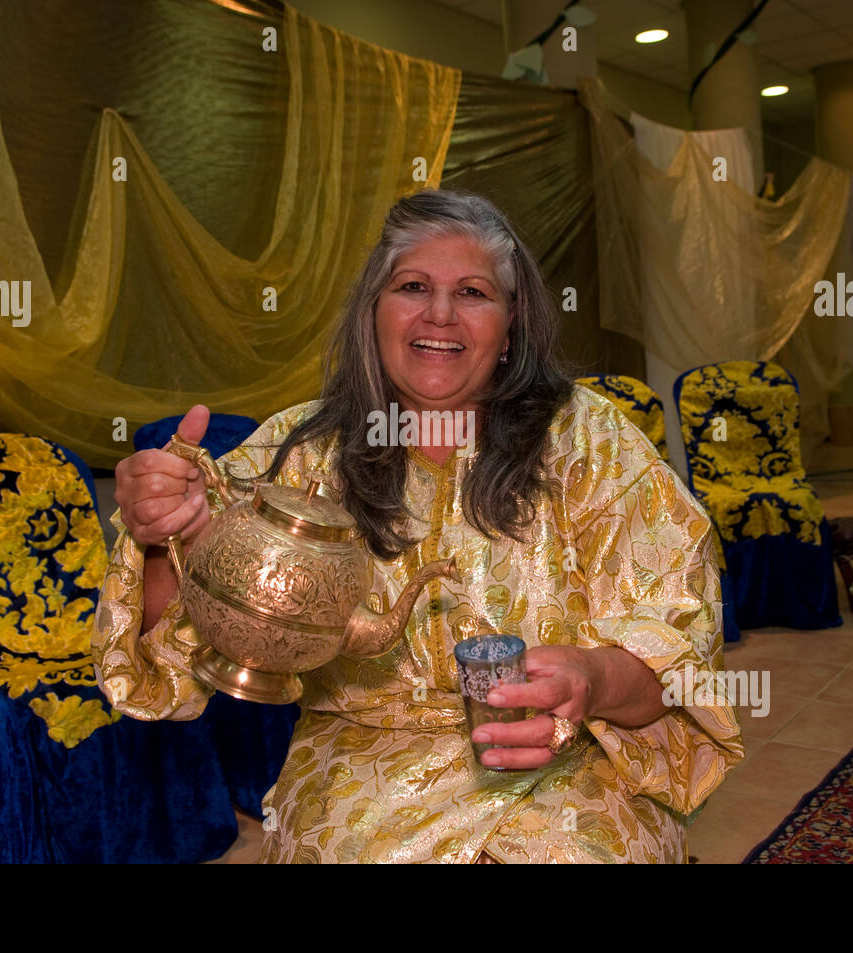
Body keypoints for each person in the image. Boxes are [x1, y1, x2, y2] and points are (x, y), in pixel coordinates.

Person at [92, 189, 743, 863]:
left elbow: (678, 651)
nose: (439, 313)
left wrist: (591, 679)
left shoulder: (593, 443)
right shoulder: (298, 454)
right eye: (412, 286)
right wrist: (169, 536)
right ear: (373, 309)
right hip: (358, 773)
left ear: (512, 319)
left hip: (570, 764)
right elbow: (185, 655)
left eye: (472, 292)